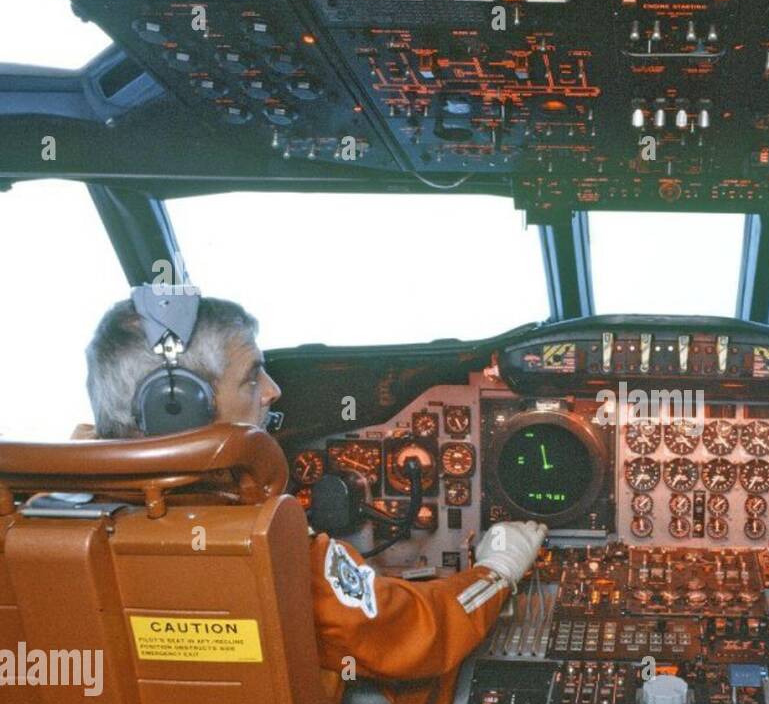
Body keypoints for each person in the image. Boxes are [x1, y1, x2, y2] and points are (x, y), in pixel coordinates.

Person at [85, 290, 544, 682]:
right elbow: (415, 634)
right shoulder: (269, 546)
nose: (272, 391)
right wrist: (497, 571)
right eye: (251, 377)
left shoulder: (35, 514)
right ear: (179, 407)